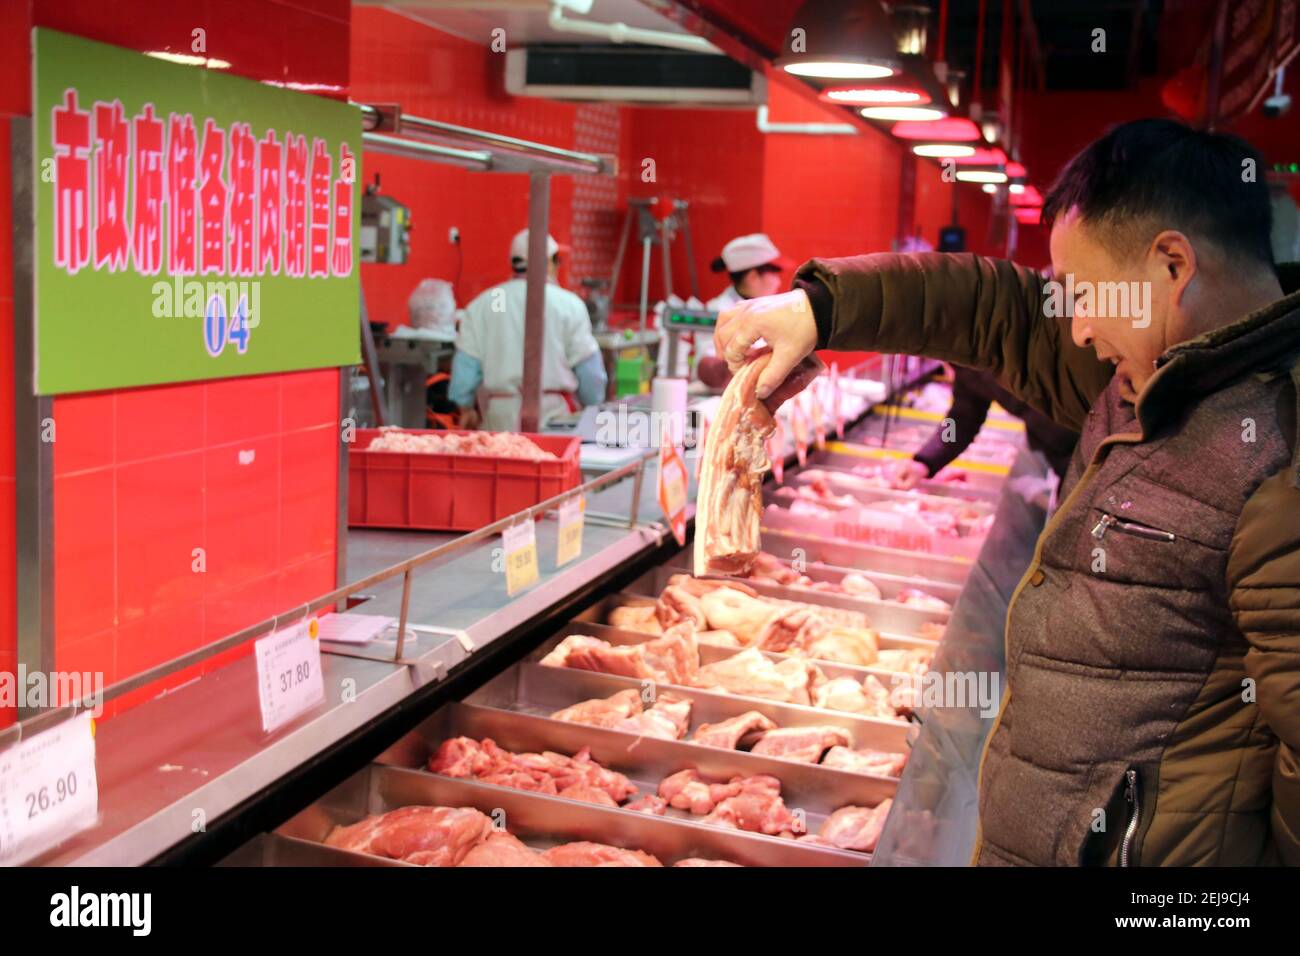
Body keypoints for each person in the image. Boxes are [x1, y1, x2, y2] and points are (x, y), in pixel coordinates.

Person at [717, 118, 1300, 867]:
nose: (1077, 328)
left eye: (1084, 295)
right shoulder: (1150, 365)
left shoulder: (1276, 457)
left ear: (1171, 266)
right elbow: (1003, 311)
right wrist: (821, 309)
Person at [450, 229, 607, 432]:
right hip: (554, 418)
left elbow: (465, 369)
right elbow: (590, 375)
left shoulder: (490, 301)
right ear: (549, 262)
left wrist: (466, 409)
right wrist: (593, 406)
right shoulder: (568, 304)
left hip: (499, 418)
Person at [888, 365, 1079, 490]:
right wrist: (925, 461)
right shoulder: (967, 364)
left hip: (1087, 441)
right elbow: (961, 419)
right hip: (1059, 455)